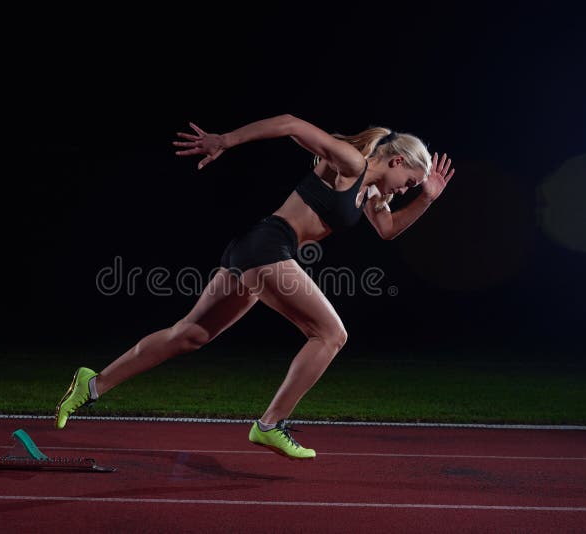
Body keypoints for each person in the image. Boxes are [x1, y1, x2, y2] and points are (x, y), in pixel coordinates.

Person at [54, 114, 455, 460]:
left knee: (189, 334)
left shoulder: (370, 194)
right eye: (408, 183)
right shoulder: (349, 162)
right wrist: (225, 140)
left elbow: (386, 230)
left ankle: (92, 383)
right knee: (331, 334)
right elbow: (290, 123)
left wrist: (428, 199)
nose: (404, 191)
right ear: (397, 161)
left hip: (254, 248)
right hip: (269, 245)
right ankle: (271, 423)